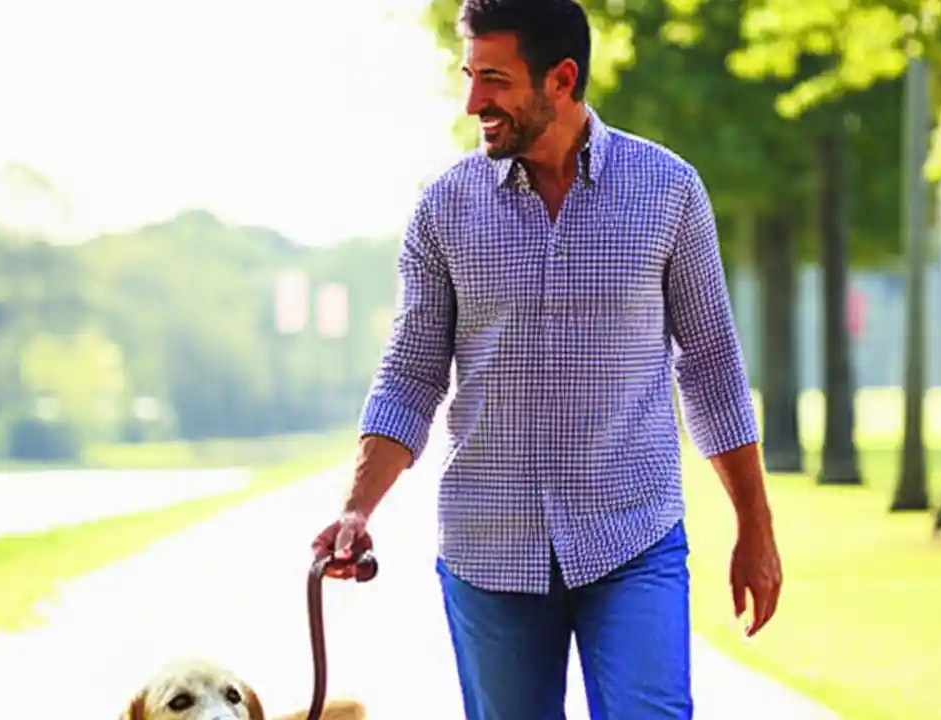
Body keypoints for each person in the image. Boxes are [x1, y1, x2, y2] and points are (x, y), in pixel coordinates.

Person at [310, 0, 782, 717]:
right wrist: (355, 509)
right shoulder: (444, 209)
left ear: (560, 79)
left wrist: (756, 526)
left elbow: (712, 365)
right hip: (489, 550)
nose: (474, 101)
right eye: (470, 76)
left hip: (633, 537)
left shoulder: (668, 191)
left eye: (494, 80)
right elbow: (410, 377)